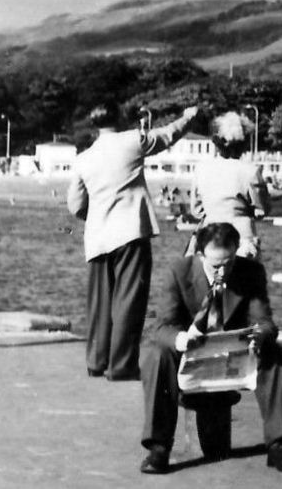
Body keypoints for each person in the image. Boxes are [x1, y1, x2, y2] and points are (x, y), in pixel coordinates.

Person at [138, 223, 282, 474]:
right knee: (156, 355)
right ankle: (158, 448)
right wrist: (181, 339)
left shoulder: (251, 271)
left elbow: (265, 321)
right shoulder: (178, 271)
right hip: (189, 349)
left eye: (229, 262)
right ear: (200, 255)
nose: (223, 272)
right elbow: (161, 327)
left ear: (236, 251)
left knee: (275, 354)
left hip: (234, 350)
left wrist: (259, 335)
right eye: (216, 266)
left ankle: (279, 444)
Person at [67, 104, 198, 381]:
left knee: (99, 302)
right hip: (130, 230)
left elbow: (75, 204)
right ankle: (122, 364)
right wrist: (188, 118)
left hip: (98, 236)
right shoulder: (133, 141)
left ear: (94, 125)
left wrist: (94, 215)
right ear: (119, 118)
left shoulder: (84, 158)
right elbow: (168, 135)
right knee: (129, 300)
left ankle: (96, 361)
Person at [190, 112, 270, 258]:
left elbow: (196, 210)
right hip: (242, 239)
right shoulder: (251, 171)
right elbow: (262, 210)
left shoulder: (201, 169)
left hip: (209, 236)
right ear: (244, 143)